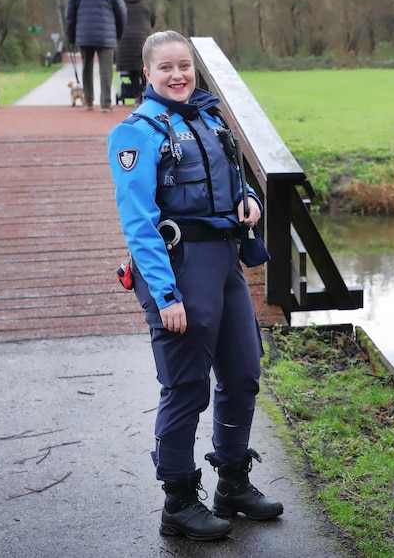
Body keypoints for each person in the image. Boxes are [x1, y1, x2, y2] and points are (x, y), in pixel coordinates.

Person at [107, 30, 283, 541]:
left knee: (243, 373)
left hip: (226, 263)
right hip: (180, 267)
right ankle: (179, 501)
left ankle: (232, 482)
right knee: (185, 386)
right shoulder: (136, 132)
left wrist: (250, 200)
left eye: (184, 66)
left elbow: (233, 177)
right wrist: (165, 295)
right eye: (166, 68)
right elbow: (139, 223)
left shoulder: (208, 118)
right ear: (148, 74)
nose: (178, 75)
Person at [66, 0, 127, 112]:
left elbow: (70, 14)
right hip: (107, 36)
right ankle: (106, 103)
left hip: (84, 35)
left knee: (86, 67)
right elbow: (121, 13)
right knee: (106, 69)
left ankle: (88, 100)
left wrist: (71, 35)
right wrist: (118, 33)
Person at [115, 0, 156, 105]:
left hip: (125, 38)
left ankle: (137, 95)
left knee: (131, 68)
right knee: (142, 66)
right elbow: (152, 20)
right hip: (143, 37)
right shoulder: (148, 0)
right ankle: (144, 94)